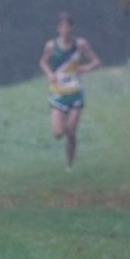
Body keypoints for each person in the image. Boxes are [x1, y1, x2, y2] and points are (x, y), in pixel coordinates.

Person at [39, 11, 102, 169]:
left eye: (68, 26)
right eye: (62, 27)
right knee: (58, 133)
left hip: (75, 93)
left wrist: (85, 68)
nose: (65, 30)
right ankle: (59, 120)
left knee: (71, 130)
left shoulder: (80, 44)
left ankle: (69, 164)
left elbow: (96, 61)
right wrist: (49, 74)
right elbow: (43, 62)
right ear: (58, 28)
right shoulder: (51, 46)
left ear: (72, 28)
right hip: (58, 92)